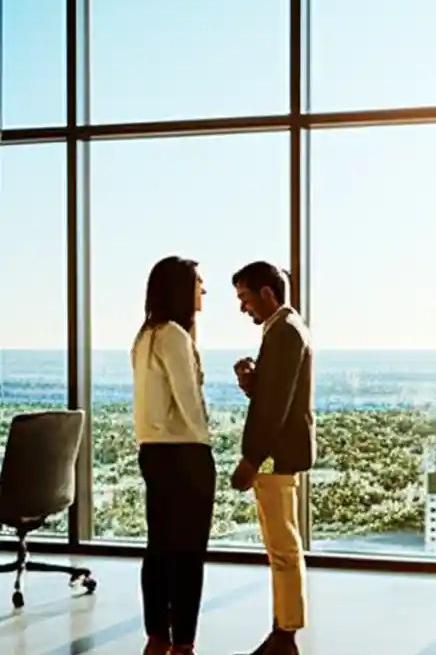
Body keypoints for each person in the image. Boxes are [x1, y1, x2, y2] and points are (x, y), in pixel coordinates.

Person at [228, 262, 315, 655]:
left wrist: (251, 458)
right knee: (282, 546)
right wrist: (253, 384)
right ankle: (282, 630)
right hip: (281, 453)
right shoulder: (287, 329)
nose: (243, 308)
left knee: (282, 548)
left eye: (245, 298)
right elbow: (275, 394)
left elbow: (276, 405)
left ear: (267, 293)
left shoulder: (283, 332)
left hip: (277, 456)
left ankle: (285, 636)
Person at [132, 256, 215, 655]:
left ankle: (156, 637)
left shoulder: (146, 335)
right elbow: (189, 402)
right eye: (198, 282)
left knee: (160, 547)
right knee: (189, 555)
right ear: (181, 288)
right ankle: (184, 643)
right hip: (186, 456)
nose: (203, 289)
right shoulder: (175, 337)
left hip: (153, 453)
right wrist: (208, 440)